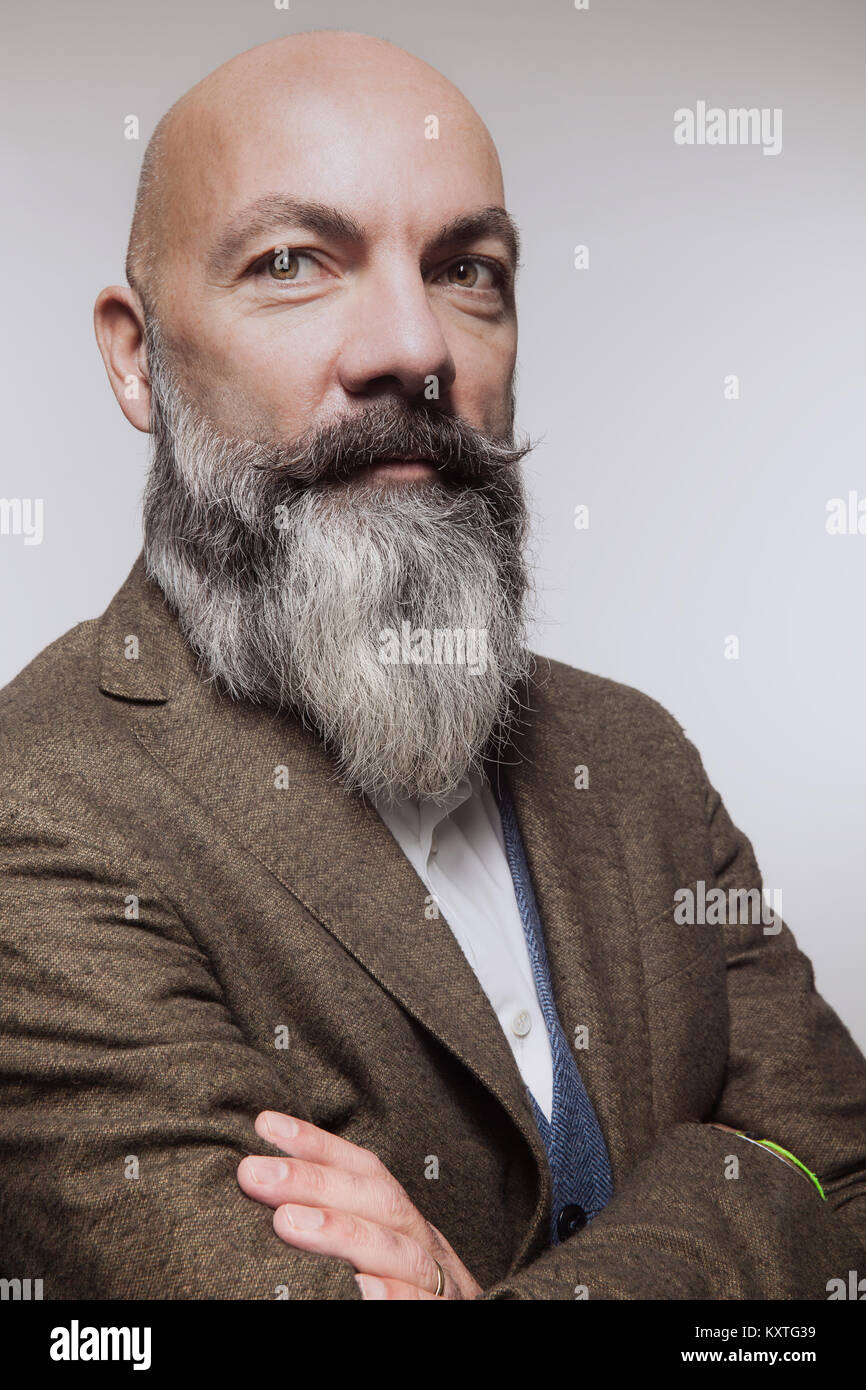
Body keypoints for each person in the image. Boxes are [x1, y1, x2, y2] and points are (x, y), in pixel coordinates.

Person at [1, 30, 864, 1301]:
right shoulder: (36, 809)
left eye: (468, 269)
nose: (413, 346)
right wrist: (721, 1181)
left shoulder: (634, 758)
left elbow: (838, 1174)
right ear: (136, 355)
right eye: (292, 263)